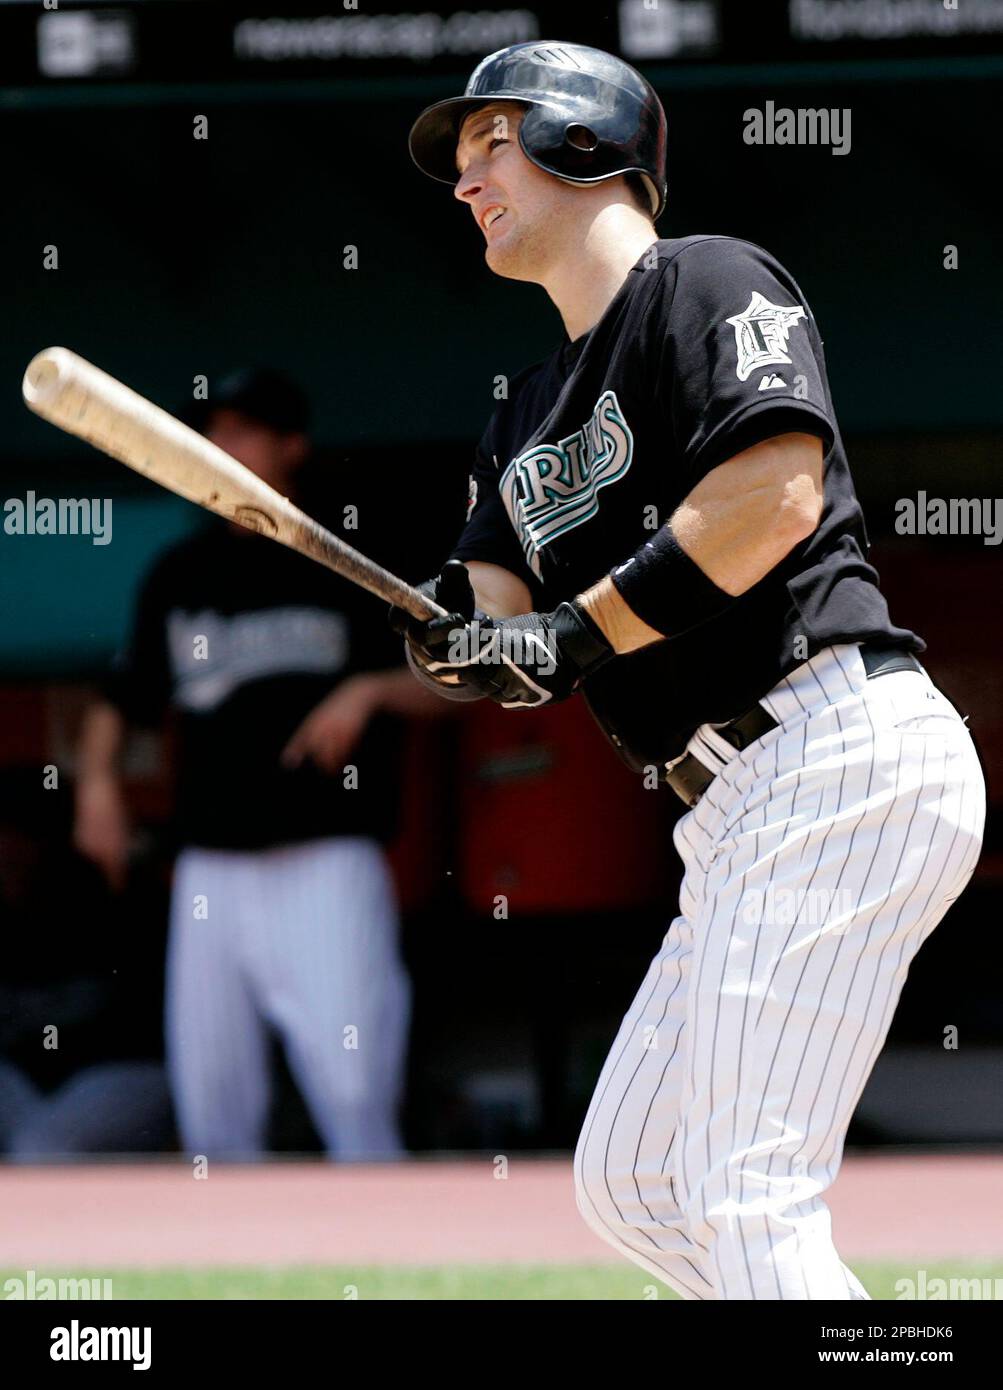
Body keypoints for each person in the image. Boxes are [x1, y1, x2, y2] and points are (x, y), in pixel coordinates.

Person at [394, 42, 986, 1297]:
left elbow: (771, 496)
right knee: (635, 1179)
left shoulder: (703, 280)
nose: (466, 182)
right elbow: (501, 613)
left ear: (585, 142)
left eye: (489, 143)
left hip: (832, 749)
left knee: (744, 1190)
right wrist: (459, 635)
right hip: (730, 813)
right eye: (458, 164)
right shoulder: (522, 414)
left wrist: (568, 634)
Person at [75, 368, 437, 1160]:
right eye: (211, 431)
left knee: (353, 1089)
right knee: (211, 1101)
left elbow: (458, 685)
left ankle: (386, 1265)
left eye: (241, 431)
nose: (219, 447)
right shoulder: (179, 572)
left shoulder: (346, 553)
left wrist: (365, 692)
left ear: (290, 446)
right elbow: (121, 695)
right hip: (210, 866)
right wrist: (97, 783)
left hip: (326, 854)